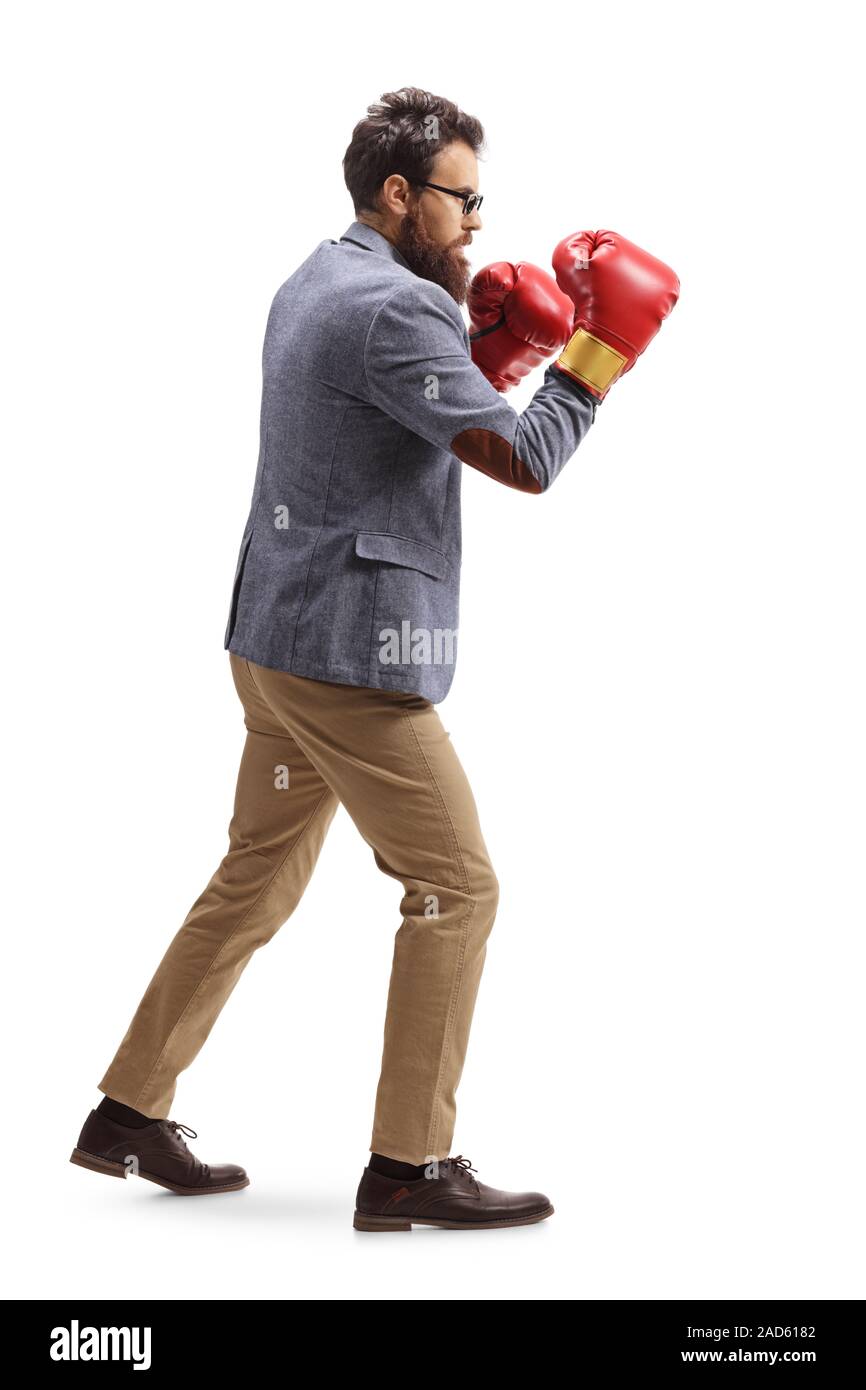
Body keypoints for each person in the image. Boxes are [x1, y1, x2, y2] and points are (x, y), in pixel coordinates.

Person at [70, 86, 677, 1231]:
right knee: (456, 886)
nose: (476, 223)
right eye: (460, 199)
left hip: (272, 645)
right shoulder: (398, 311)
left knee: (255, 873)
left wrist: (486, 347)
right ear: (398, 195)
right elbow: (530, 459)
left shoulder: (318, 275)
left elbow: (382, 423)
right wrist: (595, 350)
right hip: (349, 662)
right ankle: (411, 1165)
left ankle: (125, 1111)